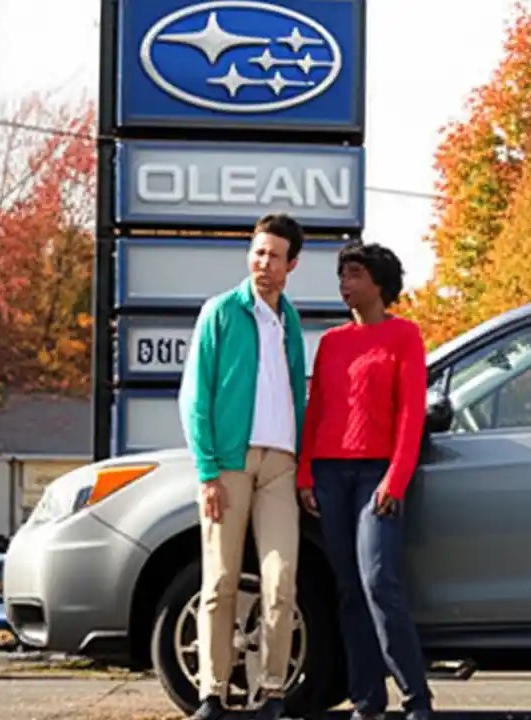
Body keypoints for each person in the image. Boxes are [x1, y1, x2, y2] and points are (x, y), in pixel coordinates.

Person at [178, 213, 310, 720]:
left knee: (281, 581)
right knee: (221, 581)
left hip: (280, 464)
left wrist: (302, 467)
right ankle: (212, 694)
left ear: (291, 264)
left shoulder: (291, 321)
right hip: (228, 464)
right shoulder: (220, 313)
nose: (263, 262)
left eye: (274, 256)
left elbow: (296, 394)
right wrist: (207, 472)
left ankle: (272, 694)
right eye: (258, 252)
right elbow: (195, 396)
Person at [296, 240, 434, 720]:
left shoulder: (404, 337)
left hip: (377, 475)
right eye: (342, 276)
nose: (345, 285)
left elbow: (412, 414)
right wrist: (305, 472)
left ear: (378, 283)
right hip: (330, 475)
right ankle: (367, 701)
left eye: (354, 275)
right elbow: (316, 412)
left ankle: (417, 699)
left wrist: (395, 480)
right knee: (349, 590)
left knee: (380, 582)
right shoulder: (332, 342)